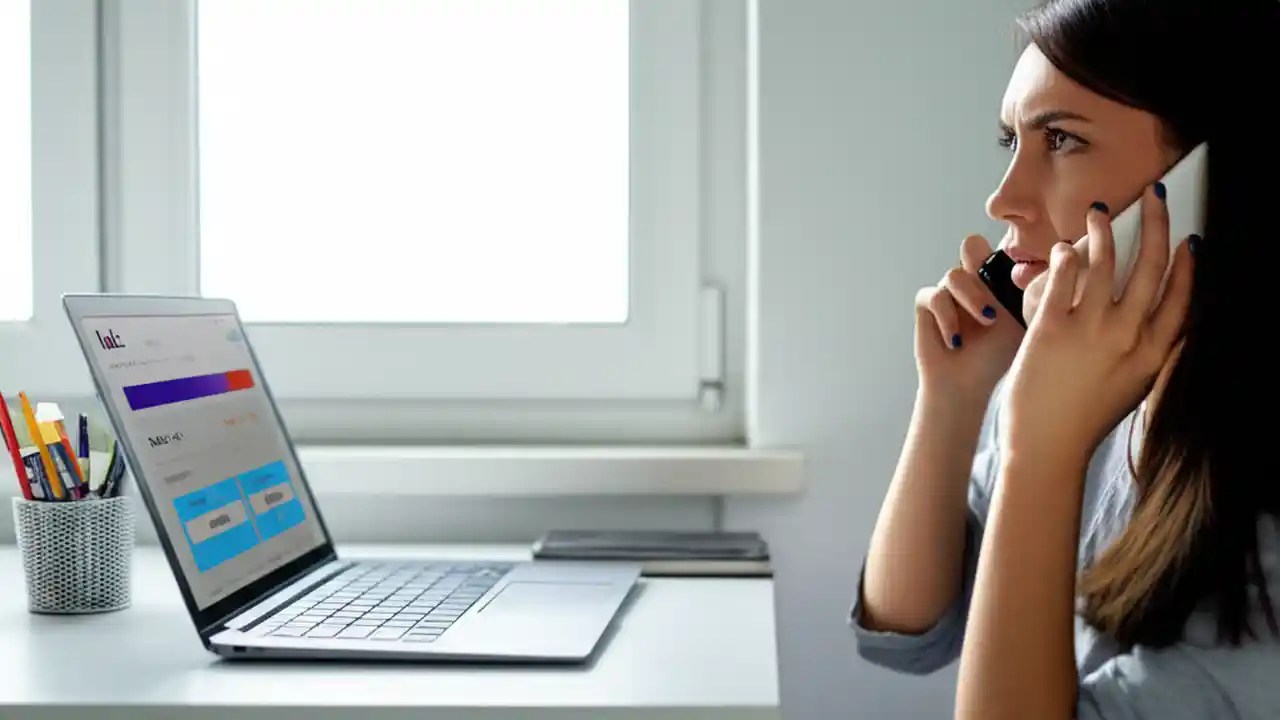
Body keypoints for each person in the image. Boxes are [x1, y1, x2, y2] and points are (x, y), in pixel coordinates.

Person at [848, 0, 1280, 718]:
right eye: (1010, 142)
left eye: (1062, 141)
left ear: (1205, 176)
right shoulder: (1067, 368)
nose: (1003, 198)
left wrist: (1040, 450)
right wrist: (951, 400)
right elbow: (905, 632)